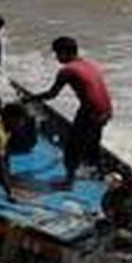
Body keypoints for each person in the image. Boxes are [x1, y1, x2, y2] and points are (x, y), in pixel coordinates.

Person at [23, 36, 113, 187]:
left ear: (64, 53)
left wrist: (30, 98)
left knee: (72, 147)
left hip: (89, 111)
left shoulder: (67, 70)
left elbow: (52, 94)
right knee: (93, 143)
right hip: (106, 110)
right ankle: (100, 173)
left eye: (58, 54)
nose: (57, 58)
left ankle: (68, 181)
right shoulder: (89, 65)